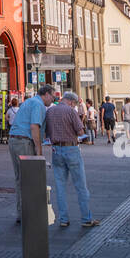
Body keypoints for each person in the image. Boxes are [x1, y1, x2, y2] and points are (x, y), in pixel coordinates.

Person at [44, 93, 98, 229]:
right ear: (72, 102)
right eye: (74, 103)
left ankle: (63, 219)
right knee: (80, 186)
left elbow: (47, 132)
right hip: (71, 149)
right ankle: (86, 218)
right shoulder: (71, 111)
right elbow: (80, 132)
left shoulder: (49, 111)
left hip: (56, 150)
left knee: (60, 187)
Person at [8, 85, 56, 224]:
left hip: (14, 140)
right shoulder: (38, 104)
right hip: (24, 142)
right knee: (28, 179)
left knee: (20, 179)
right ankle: (27, 214)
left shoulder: (29, 101)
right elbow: (34, 126)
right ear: (46, 94)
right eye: (52, 96)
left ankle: (21, 213)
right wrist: (39, 151)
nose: (53, 100)